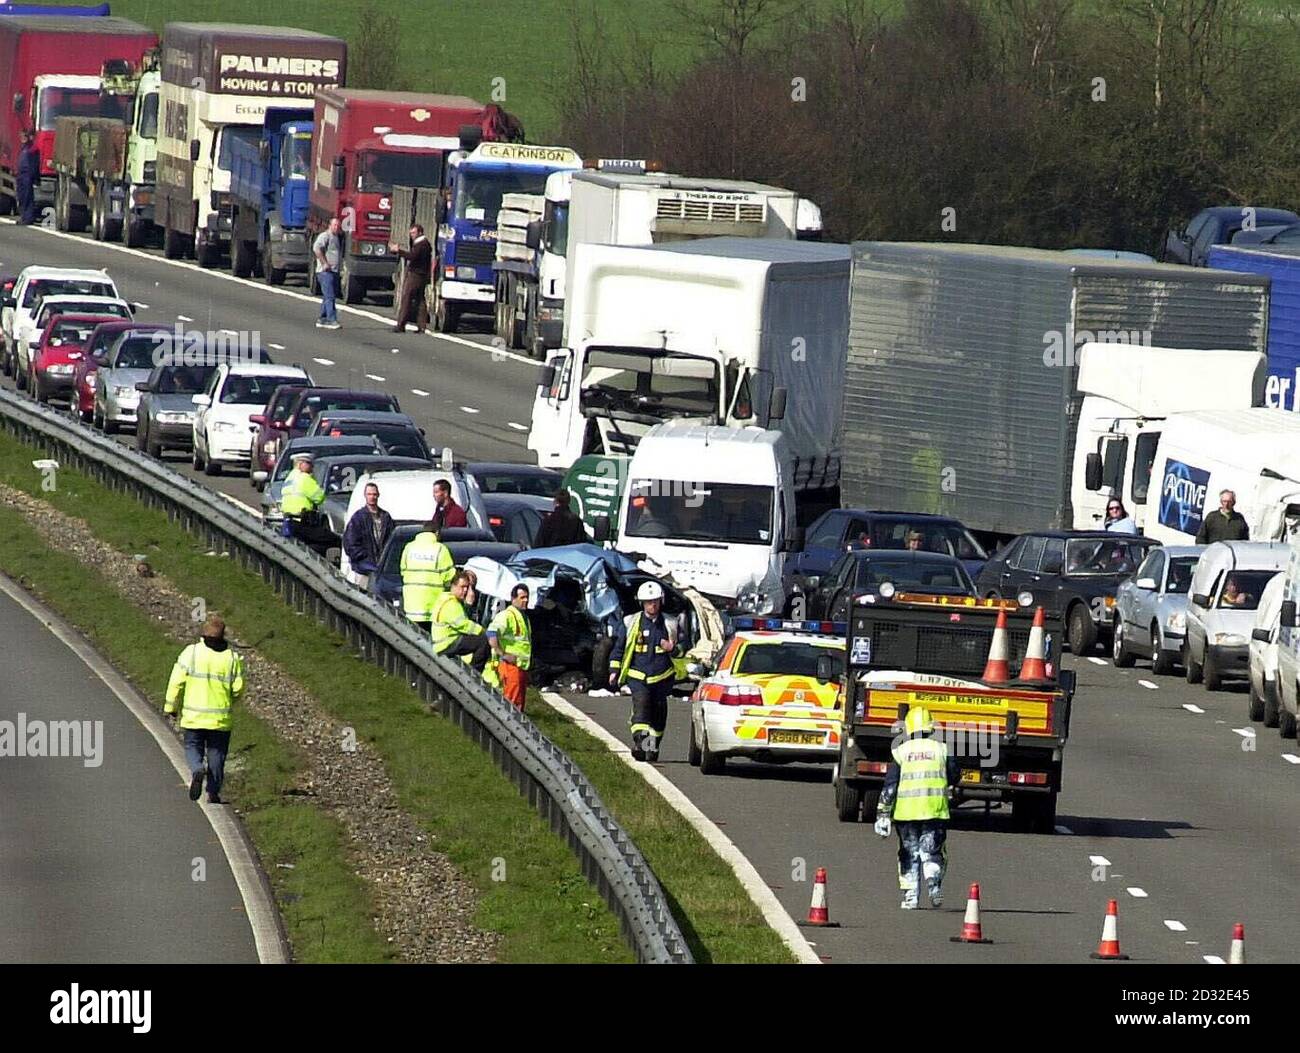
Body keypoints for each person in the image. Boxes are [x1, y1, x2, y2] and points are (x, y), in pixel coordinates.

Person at [874, 706, 960, 909]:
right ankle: (933, 880)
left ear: (909, 728)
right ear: (931, 727)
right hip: (935, 810)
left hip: (906, 813)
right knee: (933, 851)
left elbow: (890, 786)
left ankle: (911, 897)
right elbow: (955, 775)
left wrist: (882, 814)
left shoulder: (901, 751)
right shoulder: (942, 749)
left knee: (908, 853)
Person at [164, 615, 244, 805]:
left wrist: (171, 706)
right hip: (220, 719)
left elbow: (176, 681)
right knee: (217, 755)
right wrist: (229, 700)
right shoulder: (231, 658)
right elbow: (238, 688)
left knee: (193, 748)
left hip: (194, 716)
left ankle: (197, 769)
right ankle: (213, 792)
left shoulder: (190, 653)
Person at [608, 580, 681, 763]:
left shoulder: (670, 624)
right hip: (638, 677)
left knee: (657, 716)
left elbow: (683, 652)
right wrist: (613, 671)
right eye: (649, 602)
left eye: (655, 601)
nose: (652, 605)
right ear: (642, 603)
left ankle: (651, 747)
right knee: (641, 709)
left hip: (662, 678)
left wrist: (672, 648)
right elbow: (620, 648)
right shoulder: (631, 623)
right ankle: (640, 744)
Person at [400, 521, 454, 633]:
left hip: (412, 607)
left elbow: (403, 571)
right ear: (437, 533)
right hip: (433, 606)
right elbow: (449, 577)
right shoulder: (440, 549)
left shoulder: (409, 547)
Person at [431, 571, 490, 672]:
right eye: (462, 587)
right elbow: (465, 625)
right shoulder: (452, 605)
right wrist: (483, 631)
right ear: (453, 586)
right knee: (483, 641)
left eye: (467, 587)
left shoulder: (446, 598)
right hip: (447, 643)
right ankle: (475, 672)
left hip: (444, 642)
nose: (465, 590)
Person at [484, 584, 532, 711]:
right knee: (511, 703)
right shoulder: (507, 615)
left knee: (519, 703)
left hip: (521, 666)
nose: (526, 600)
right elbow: (491, 633)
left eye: (527, 597)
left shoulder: (523, 617)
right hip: (510, 666)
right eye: (522, 597)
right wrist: (503, 654)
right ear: (513, 598)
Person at [280, 451, 331, 551]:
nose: (312, 467)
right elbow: (320, 497)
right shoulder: (304, 478)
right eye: (309, 464)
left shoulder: (289, 478)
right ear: (300, 464)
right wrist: (314, 479)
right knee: (331, 540)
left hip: (289, 522)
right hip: (303, 523)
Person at [343, 482, 394, 582]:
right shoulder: (358, 518)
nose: (372, 497)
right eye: (369, 494)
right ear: (365, 495)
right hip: (364, 571)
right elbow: (349, 543)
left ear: (378, 495)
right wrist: (364, 557)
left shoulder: (385, 517)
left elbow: (391, 540)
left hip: (382, 570)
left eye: (374, 494)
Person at [390, 223, 431, 333]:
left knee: (406, 297)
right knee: (420, 299)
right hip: (422, 275)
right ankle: (421, 326)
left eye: (413, 233)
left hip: (416, 275)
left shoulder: (421, 244)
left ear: (420, 232)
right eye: (411, 233)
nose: (412, 235)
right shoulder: (424, 244)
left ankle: (401, 324)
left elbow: (412, 257)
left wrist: (399, 251)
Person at [313, 216, 342, 330]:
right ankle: (331, 319)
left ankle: (322, 318)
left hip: (333, 271)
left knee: (328, 296)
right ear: (330, 225)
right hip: (325, 272)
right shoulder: (325, 236)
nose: (336, 227)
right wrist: (324, 263)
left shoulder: (336, 237)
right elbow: (316, 248)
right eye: (334, 225)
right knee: (330, 296)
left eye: (338, 226)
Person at [16, 129, 39, 225]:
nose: (23, 138)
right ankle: (24, 216)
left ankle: (28, 218)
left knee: (27, 197)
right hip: (21, 175)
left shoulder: (32, 148)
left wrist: (34, 177)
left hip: (27, 175)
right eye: (21, 136)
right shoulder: (23, 148)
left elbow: (34, 163)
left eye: (25, 136)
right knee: (21, 196)